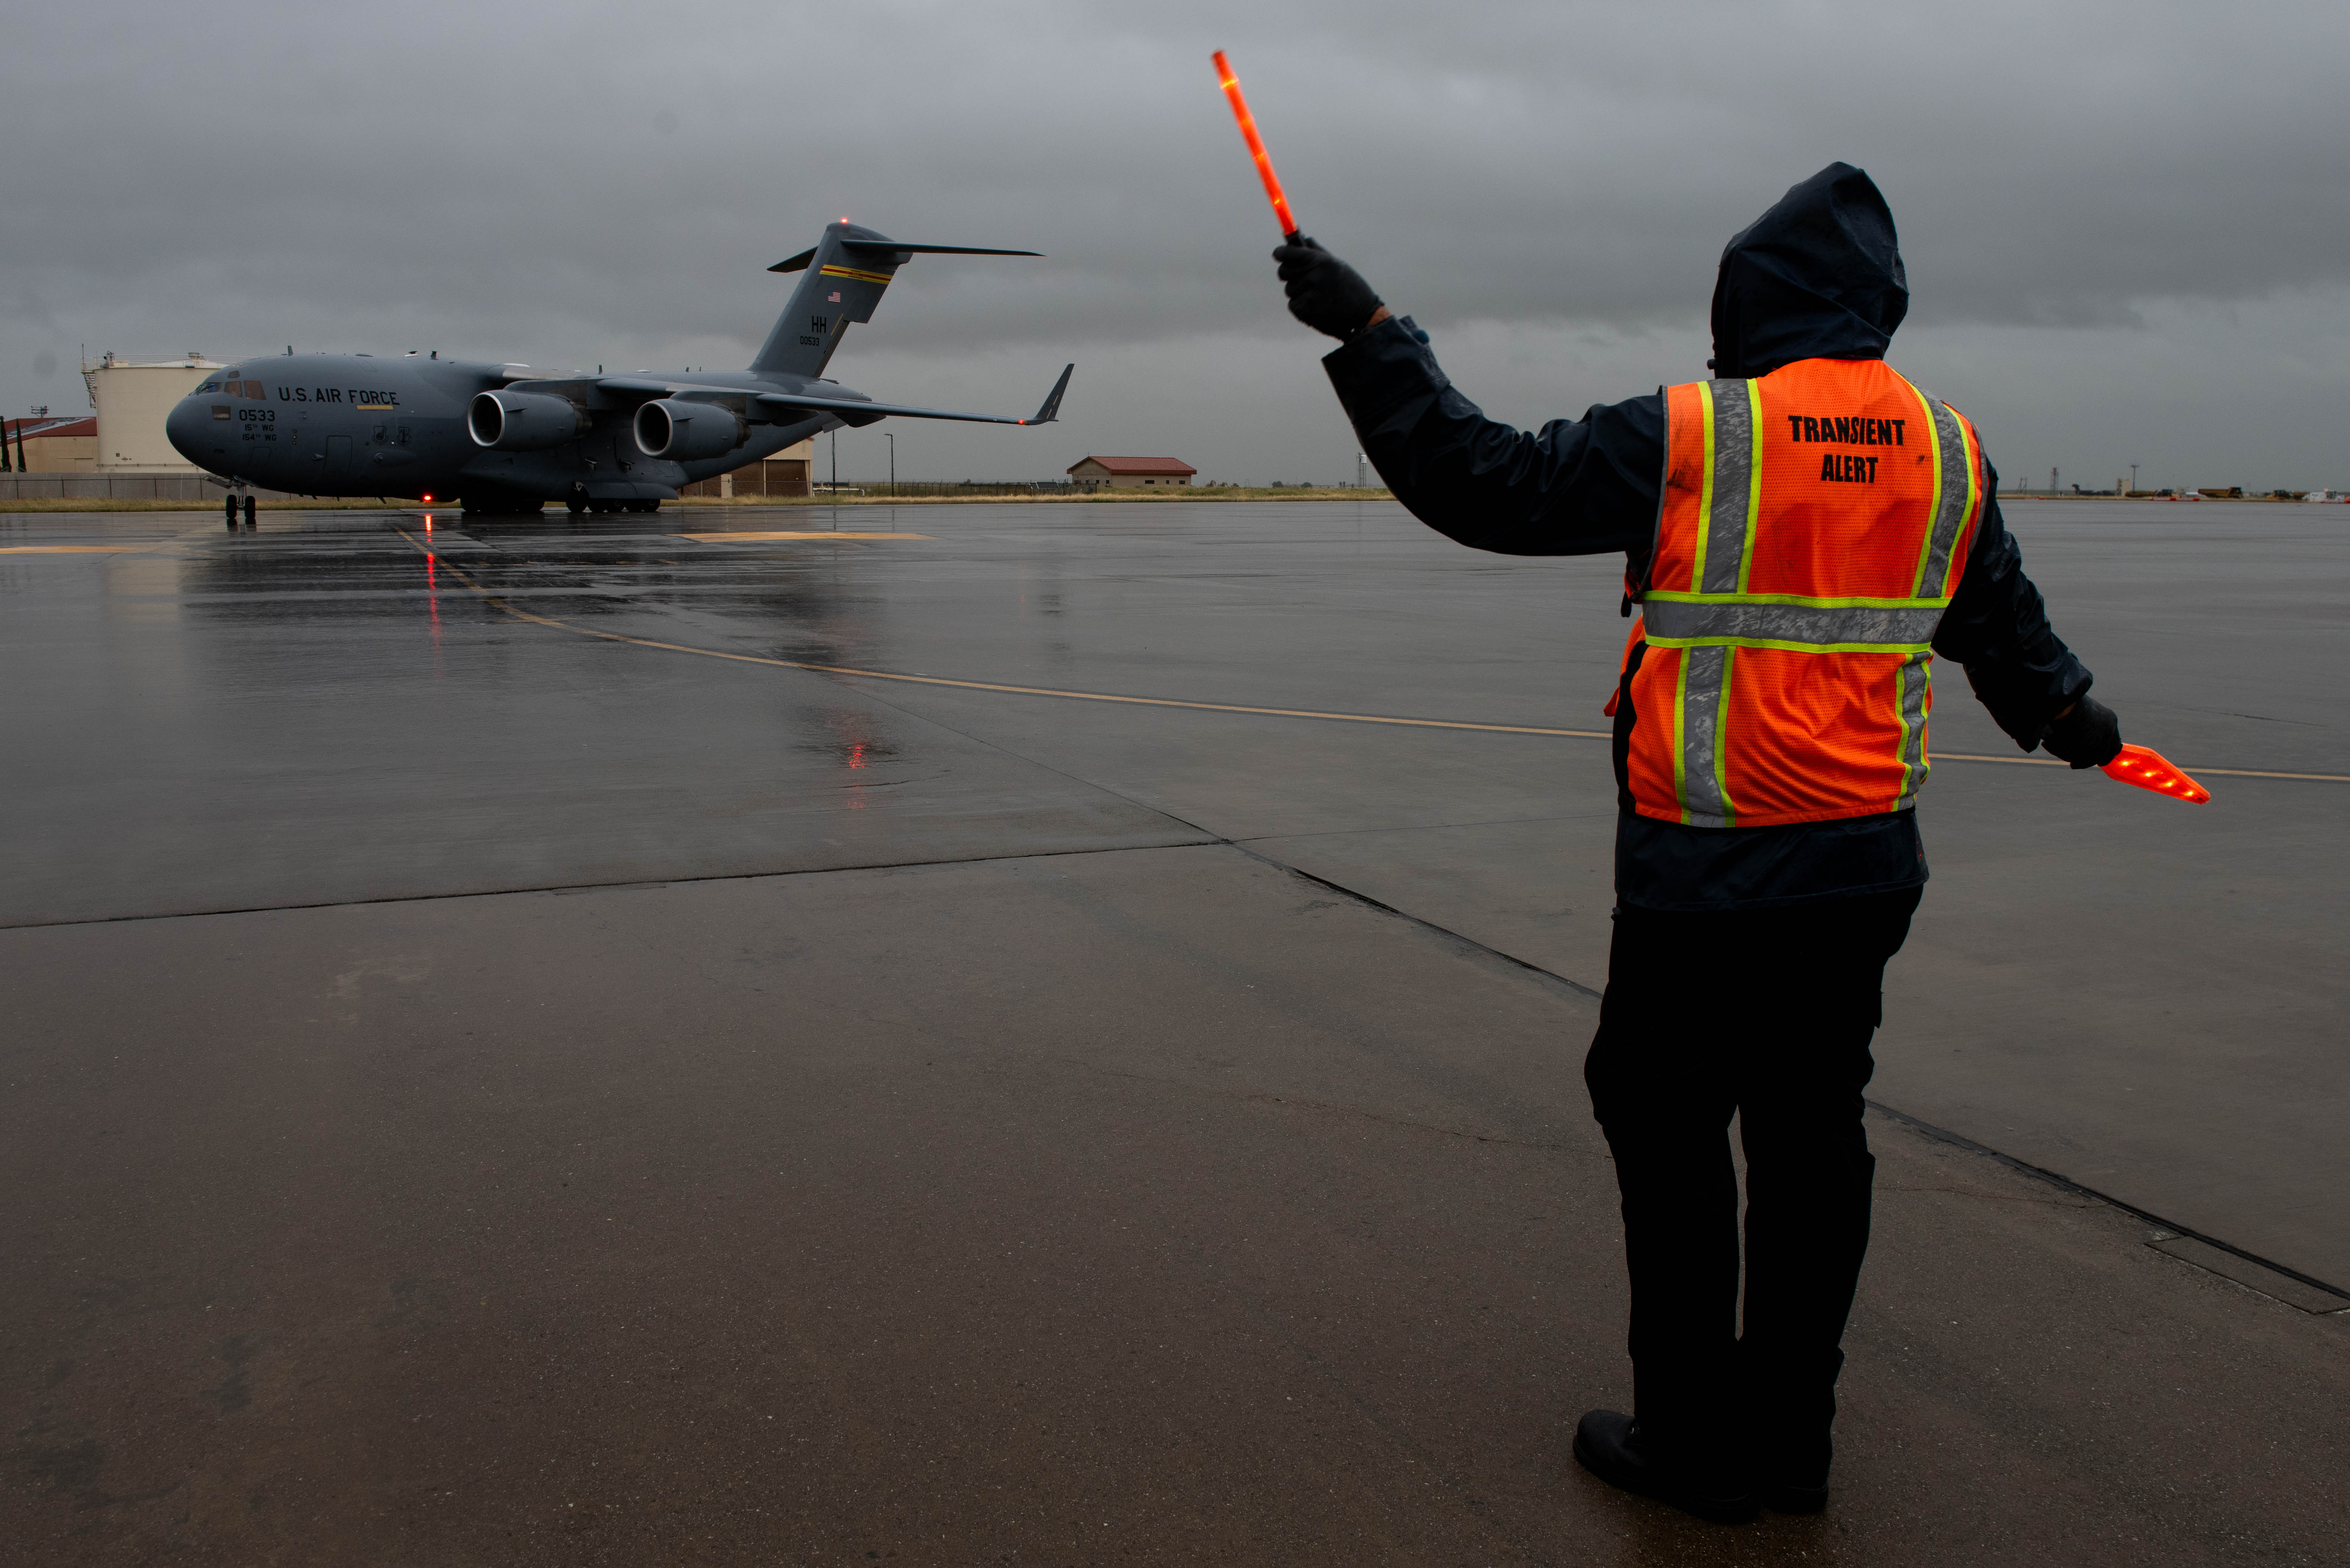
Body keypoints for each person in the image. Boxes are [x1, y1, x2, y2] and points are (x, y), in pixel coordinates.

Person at [1271, 163, 2122, 1524]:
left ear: (1751, 298)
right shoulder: (1946, 447)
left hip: (1707, 861)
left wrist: (1372, 333)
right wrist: (2072, 715)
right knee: (1813, 1140)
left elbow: (1489, 483)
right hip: (1862, 866)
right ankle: (1789, 1446)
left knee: (1667, 1127)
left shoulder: (1700, 434)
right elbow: (2001, 624)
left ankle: (1685, 1436)